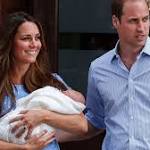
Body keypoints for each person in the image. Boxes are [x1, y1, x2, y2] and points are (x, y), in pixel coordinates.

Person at [27, 0, 150, 149]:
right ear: (115, 21)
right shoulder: (99, 69)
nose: (141, 28)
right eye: (133, 21)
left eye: (145, 19)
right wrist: (41, 135)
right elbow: (94, 122)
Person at [0, 11, 85, 150]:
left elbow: (82, 125)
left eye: (37, 38)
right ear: (10, 42)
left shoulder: (51, 81)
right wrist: (25, 148)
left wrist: (43, 116)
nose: (34, 44)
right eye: (26, 38)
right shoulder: (2, 87)